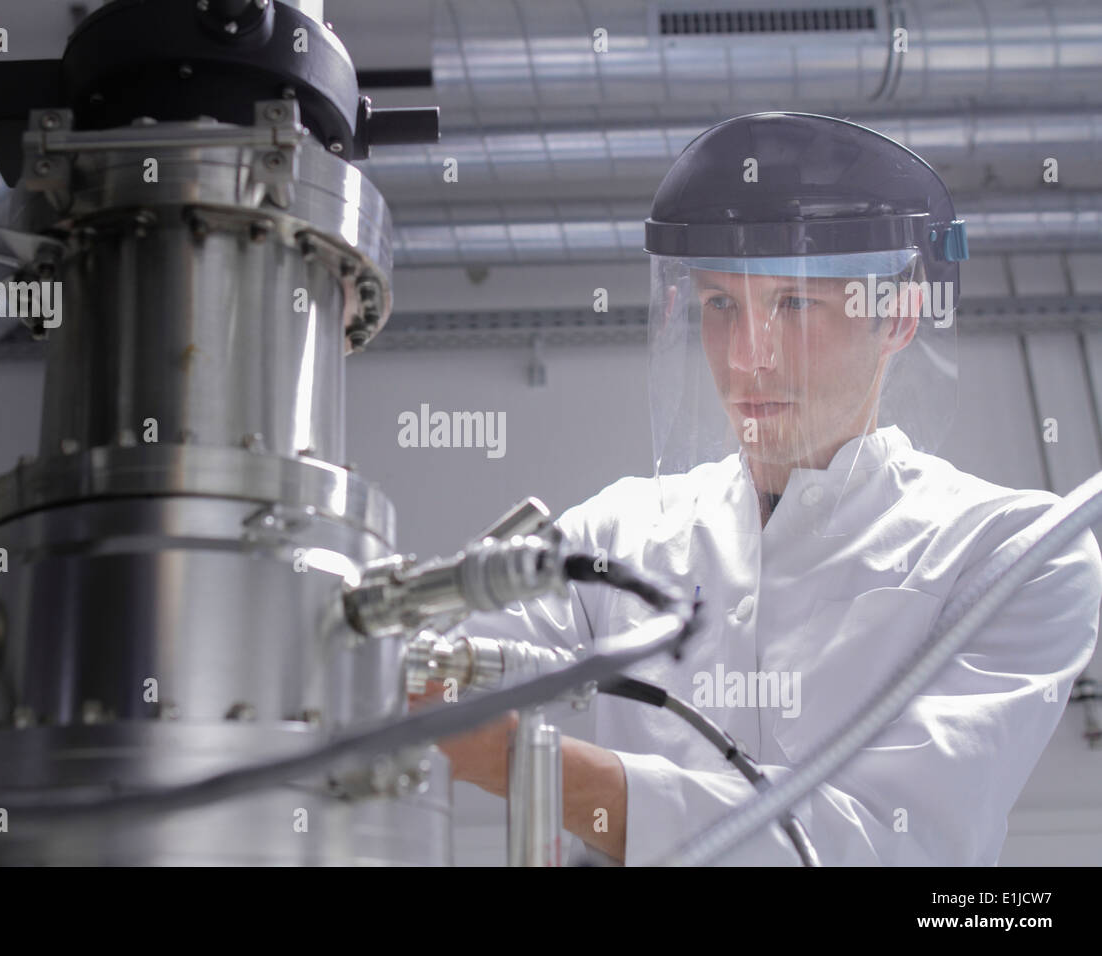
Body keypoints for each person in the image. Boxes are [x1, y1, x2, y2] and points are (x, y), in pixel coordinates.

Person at [411, 112, 1102, 866]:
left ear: (899, 314)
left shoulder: (1015, 552)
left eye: (794, 305)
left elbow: (886, 843)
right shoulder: (615, 535)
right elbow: (430, 671)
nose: (748, 359)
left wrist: (548, 774)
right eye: (720, 306)